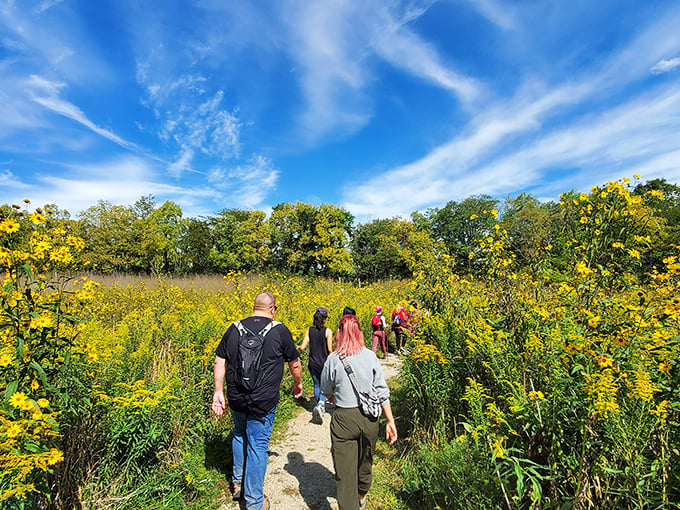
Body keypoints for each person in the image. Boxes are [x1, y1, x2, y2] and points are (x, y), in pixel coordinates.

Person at [212, 291, 303, 510]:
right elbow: (295, 363)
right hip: (263, 401)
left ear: (254, 307)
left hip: (236, 397)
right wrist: (298, 383)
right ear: (273, 309)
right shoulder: (279, 330)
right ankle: (254, 501)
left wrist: (218, 392)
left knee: (239, 434)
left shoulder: (233, 329)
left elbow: (219, 361)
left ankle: (238, 483)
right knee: (257, 446)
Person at [321, 314, 397, 510]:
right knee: (366, 461)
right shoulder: (370, 356)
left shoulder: (333, 359)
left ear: (339, 333)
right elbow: (381, 390)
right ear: (359, 333)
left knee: (345, 474)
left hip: (344, 419)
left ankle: (350, 504)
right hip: (370, 419)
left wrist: (334, 395)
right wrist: (390, 420)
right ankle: (361, 496)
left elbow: (326, 390)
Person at [297, 306, 333, 423]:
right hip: (324, 363)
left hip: (312, 363)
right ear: (324, 319)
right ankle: (321, 404)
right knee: (326, 386)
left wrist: (295, 348)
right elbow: (330, 350)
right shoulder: (328, 331)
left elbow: (302, 347)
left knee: (317, 385)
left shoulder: (309, 330)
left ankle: (318, 404)